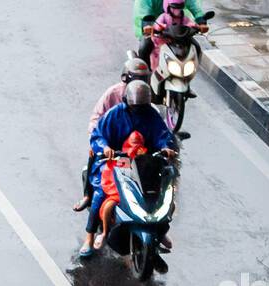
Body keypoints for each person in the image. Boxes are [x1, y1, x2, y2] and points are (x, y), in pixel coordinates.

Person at [80, 81, 176, 258]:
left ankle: (161, 230)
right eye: (135, 107)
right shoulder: (114, 114)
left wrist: (166, 147)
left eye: (142, 106)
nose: (139, 110)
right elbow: (98, 135)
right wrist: (105, 148)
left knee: (164, 194)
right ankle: (90, 236)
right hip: (116, 163)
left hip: (145, 164)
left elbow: (163, 136)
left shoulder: (151, 115)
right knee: (100, 194)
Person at [73, 58, 151, 213]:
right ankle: (88, 195)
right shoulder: (113, 95)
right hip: (112, 143)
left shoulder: (145, 95)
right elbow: (97, 119)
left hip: (134, 145)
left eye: (143, 79)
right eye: (137, 79)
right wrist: (103, 143)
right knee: (96, 162)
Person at [136, 0, 206, 64]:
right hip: (153, 27)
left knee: (196, 47)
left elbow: (194, 6)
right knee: (144, 47)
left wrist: (201, 22)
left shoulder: (181, 16)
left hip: (176, 31)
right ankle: (145, 74)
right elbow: (145, 12)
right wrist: (149, 25)